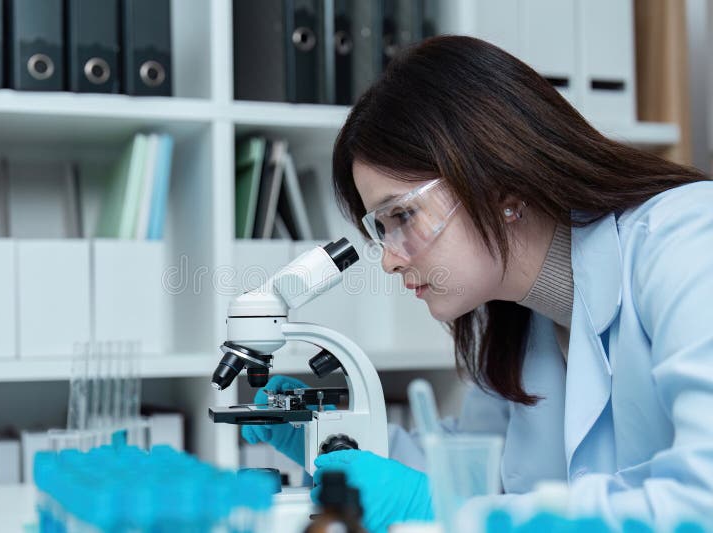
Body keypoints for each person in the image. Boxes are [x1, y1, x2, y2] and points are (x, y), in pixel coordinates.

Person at [243, 35, 713, 533]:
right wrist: (328, 436)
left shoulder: (687, 242)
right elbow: (474, 478)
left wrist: (453, 514)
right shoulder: (519, 319)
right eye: (381, 229)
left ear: (502, 186)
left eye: (402, 214)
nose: (390, 260)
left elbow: (700, 501)